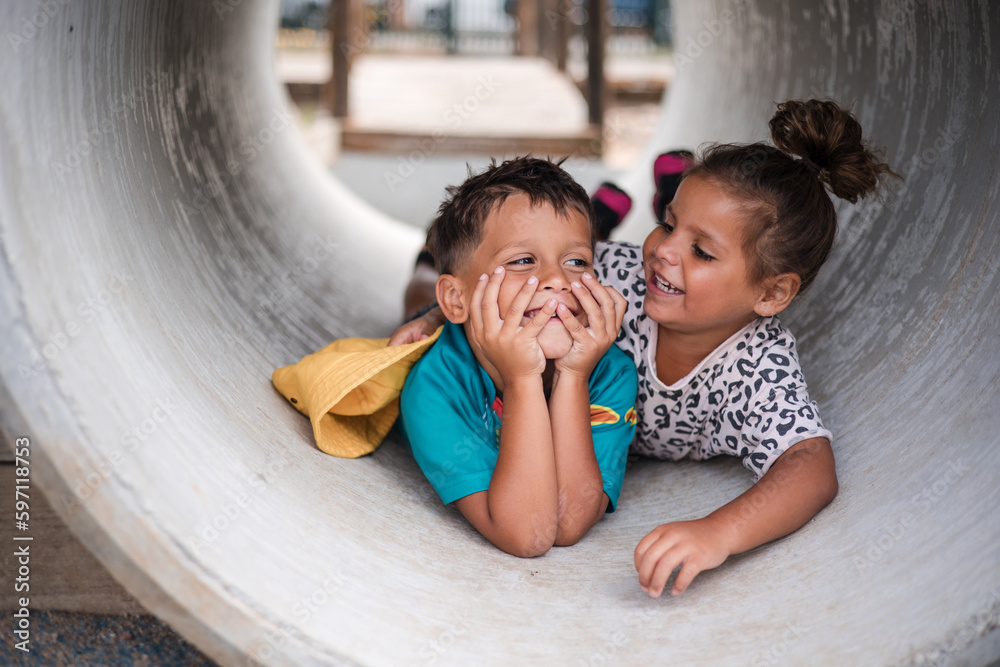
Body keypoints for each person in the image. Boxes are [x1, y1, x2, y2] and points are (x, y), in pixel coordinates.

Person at [391, 99, 900, 594]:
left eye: (700, 251)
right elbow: (537, 269)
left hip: (590, 432)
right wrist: (435, 314)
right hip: (514, 311)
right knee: (439, 295)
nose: (660, 253)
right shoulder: (618, 277)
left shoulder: (757, 370)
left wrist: (718, 532)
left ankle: (614, 213)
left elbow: (809, 466)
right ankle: (432, 263)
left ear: (771, 294)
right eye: (668, 224)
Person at [398, 156, 638, 558]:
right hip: (436, 315)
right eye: (522, 261)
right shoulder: (433, 386)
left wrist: (574, 376)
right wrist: (525, 379)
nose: (558, 281)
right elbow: (528, 534)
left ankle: (599, 228)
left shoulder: (611, 372)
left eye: (577, 261)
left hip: (463, 305)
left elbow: (568, 522)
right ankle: (429, 254)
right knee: (420, 291)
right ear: (458, 299)